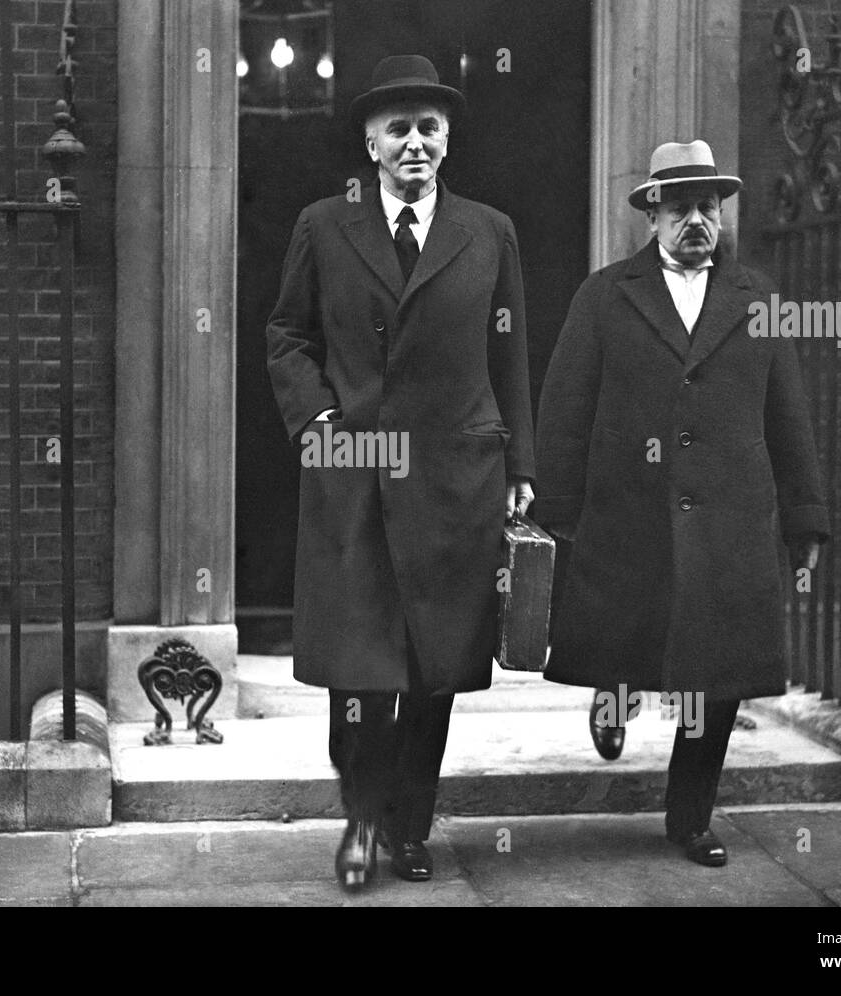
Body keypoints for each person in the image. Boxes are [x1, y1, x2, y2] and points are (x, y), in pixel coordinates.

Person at [266, 54, 535, 891]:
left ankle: (409, 826)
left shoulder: (489, 232)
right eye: (399, 130)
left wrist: (520, 463)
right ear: (372, 143)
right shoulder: (324, 224)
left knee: (434, 671)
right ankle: (358, 822)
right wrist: (318, 420)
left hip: (457, 481)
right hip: (356, 478)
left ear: (446, 143)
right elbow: (288, 335)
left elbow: (510, 353)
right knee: (360, 672)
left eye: (429, 130)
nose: (415, 144)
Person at [533, 140, 828, 866]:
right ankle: (612, 694)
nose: (696, 221)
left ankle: (689, 816)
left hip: (730, 516)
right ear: (652, 215)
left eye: (708, 208)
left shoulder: (759, 301)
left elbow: (788, 414)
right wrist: (558, 505)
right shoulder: (604, 294)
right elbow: (566, 404)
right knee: (626, 637)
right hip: (627, 510)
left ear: (721, 215)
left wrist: (805, 514)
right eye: (679, 207)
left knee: (717, 673)